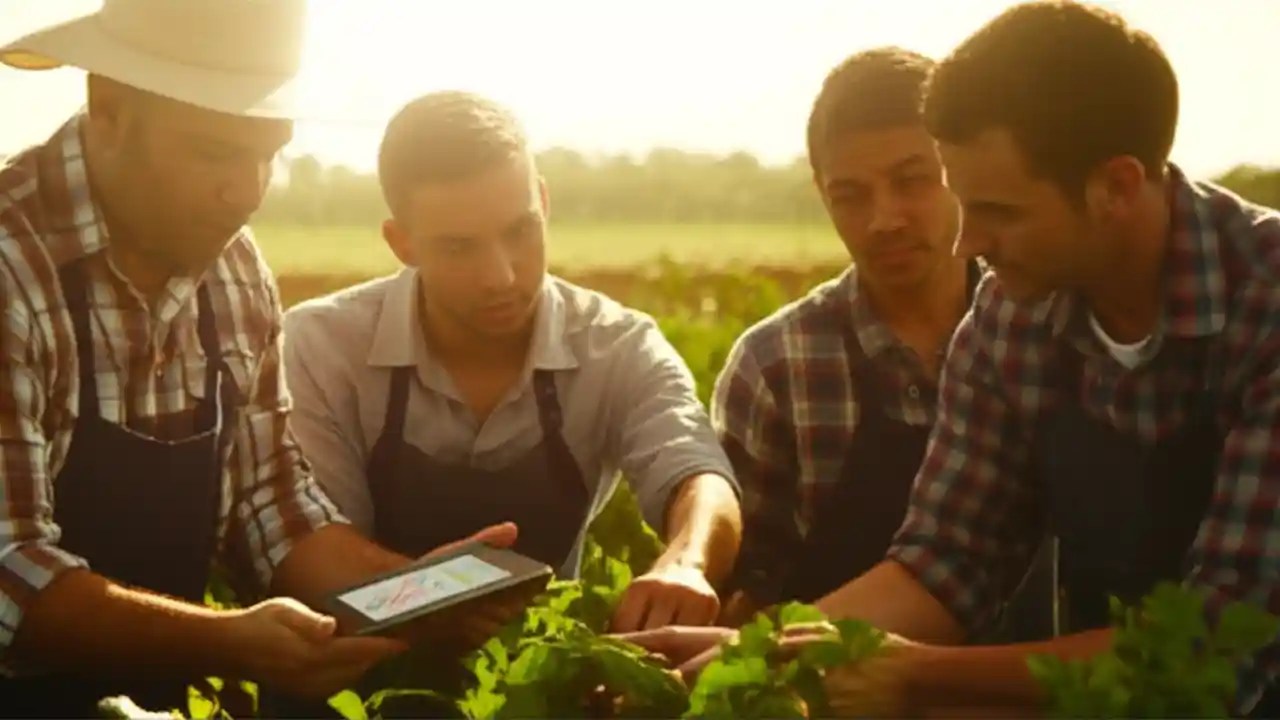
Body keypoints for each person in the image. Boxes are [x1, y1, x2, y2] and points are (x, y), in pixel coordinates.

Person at [619, 1, 1280, 717]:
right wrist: (745, 662)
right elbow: (946, 563)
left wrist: (918, 675)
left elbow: (1222, 646)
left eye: (999, 210)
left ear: (1116, 187)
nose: (968, 244)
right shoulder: (1011, 318)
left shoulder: (1264, 305)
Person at [0, 2, 532, 717]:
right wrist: (225, 641)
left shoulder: (234, 273)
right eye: (214, 152)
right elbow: (9, 570)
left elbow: (269, 506)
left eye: (267, 153)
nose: (246, 191)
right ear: (111, 108)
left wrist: (408, 594)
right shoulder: (14, 270)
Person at [279, 90, 744, 636]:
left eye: (519, 231)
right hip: (360, 676)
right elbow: (310, 551)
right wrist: (431, 596)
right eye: (459, 248)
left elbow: (697, 470)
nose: (500, 275)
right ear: (401, 242)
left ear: (543, 202)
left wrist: (687, 563)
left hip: (542, 678)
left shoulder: (617, 345)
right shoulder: (320, 344)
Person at [710, 46, 991, 627]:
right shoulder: (775, 367)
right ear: (820, 192)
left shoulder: (1039, 333)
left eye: (912, 181)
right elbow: (746, 592)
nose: (884, 218)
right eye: (851, 196)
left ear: (963, 168)